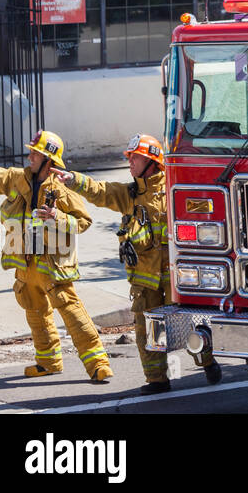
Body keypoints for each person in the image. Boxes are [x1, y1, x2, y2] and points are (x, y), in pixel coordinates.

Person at [0, 130, 113, 382]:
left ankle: (98, 363)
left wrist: (56, 218)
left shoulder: (62, 187)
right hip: (26, 263)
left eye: (35, 153)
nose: (29, 156)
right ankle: (48, 361)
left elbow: (83, 221)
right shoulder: (18, 179)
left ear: (48, 158)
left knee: (71, 311)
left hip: (52, 264)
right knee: (35, 312)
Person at [53, 134, 172, 394]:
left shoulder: (173, 190)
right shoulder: (129, 195)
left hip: (175, 279)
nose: (129, 162)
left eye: (135, 157)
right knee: (147, 330)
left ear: (151, 161)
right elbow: (101, 191)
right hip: (145, 280)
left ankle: (206, 362)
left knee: (189, 324)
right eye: (129, 158)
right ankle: (157, 380)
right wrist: (73, 180)